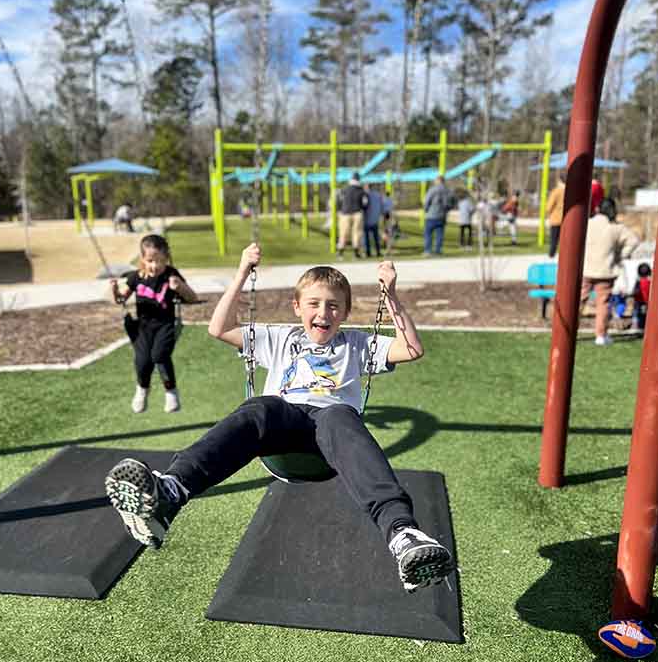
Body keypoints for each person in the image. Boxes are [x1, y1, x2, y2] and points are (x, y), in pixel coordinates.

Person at [103, 243, 454, 594]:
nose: (324, 313)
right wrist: (243, 271)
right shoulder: (279, 337)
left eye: (334, 306)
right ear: (297, 307)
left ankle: (403, 536)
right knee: (261, 407)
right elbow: (219, 327)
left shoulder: (357, 344)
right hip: (282, 423)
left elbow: (410, 348)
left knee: (339, 418)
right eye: (314, 304)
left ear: (345, 313)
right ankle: (170, 491)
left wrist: (390, 296)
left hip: (329, 430)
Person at [110, 234, 199, 413]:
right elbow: (121, 299)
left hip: (166, 325)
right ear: (143, 259)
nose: (155, 265)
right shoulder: (136, 277)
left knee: (159, 356)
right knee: (142, 362)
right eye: (150, 260)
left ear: (166, 258)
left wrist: (179, 287)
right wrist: (114, 290)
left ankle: (171, 391)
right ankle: (142, 389)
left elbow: (192, 298)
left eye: (160, 261)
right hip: (143, 327)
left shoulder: (171, 275)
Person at [581, 198, 639, 346]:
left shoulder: (588, 223)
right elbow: (634, 240)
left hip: (585, 269)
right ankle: (601, 336)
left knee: (578, 301)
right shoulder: (616, 227)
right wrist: (621, 255)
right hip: (605, 271)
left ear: (597, 209)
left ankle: (567, 333)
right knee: (603, 304)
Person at [337, 173, 367, 259]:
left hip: (345, 213)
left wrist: (340, 209)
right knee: (357, 233)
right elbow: (365, 203)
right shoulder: (361, 190)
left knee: (343, 233)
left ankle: (340, 253)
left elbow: (339, 200)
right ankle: (356, 254)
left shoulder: (344, 189)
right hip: (357, 212)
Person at [422, 176, 454, 256]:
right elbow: (451, 202)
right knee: (439, 234)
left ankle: (428, 251)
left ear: (437, 181)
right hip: (442, 216)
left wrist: (425, 209)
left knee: (428, 233)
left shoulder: (432, 189)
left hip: (431, 215)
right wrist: (446, 210)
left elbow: (426, 200)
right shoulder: (448, 190)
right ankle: (438, 251)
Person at [546, 177, 565, 258]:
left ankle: (551, 255)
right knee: (563, 240)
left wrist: (548, 211)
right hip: (565, 218)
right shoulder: (569, 191)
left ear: (559, 181)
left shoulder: (556, 191)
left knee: (554, 240)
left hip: (555, 218)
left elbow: (549, 206)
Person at [362, 182, 383, 258]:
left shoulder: (365, 196)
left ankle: (368, 253)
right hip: (375, 219)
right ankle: (378, 252)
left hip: (367, 219)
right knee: (376, 237)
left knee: (366, 237)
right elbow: (381, 206)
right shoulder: (377, 195)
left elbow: (364, 206)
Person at [631, 262, 652, 332]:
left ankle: (635, 325)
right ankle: (645, 326)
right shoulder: (650, 282)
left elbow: (635, 291)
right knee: (646, 314)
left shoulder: (638, 282)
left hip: (638, 301)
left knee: (636, 313)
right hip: (648, 301)